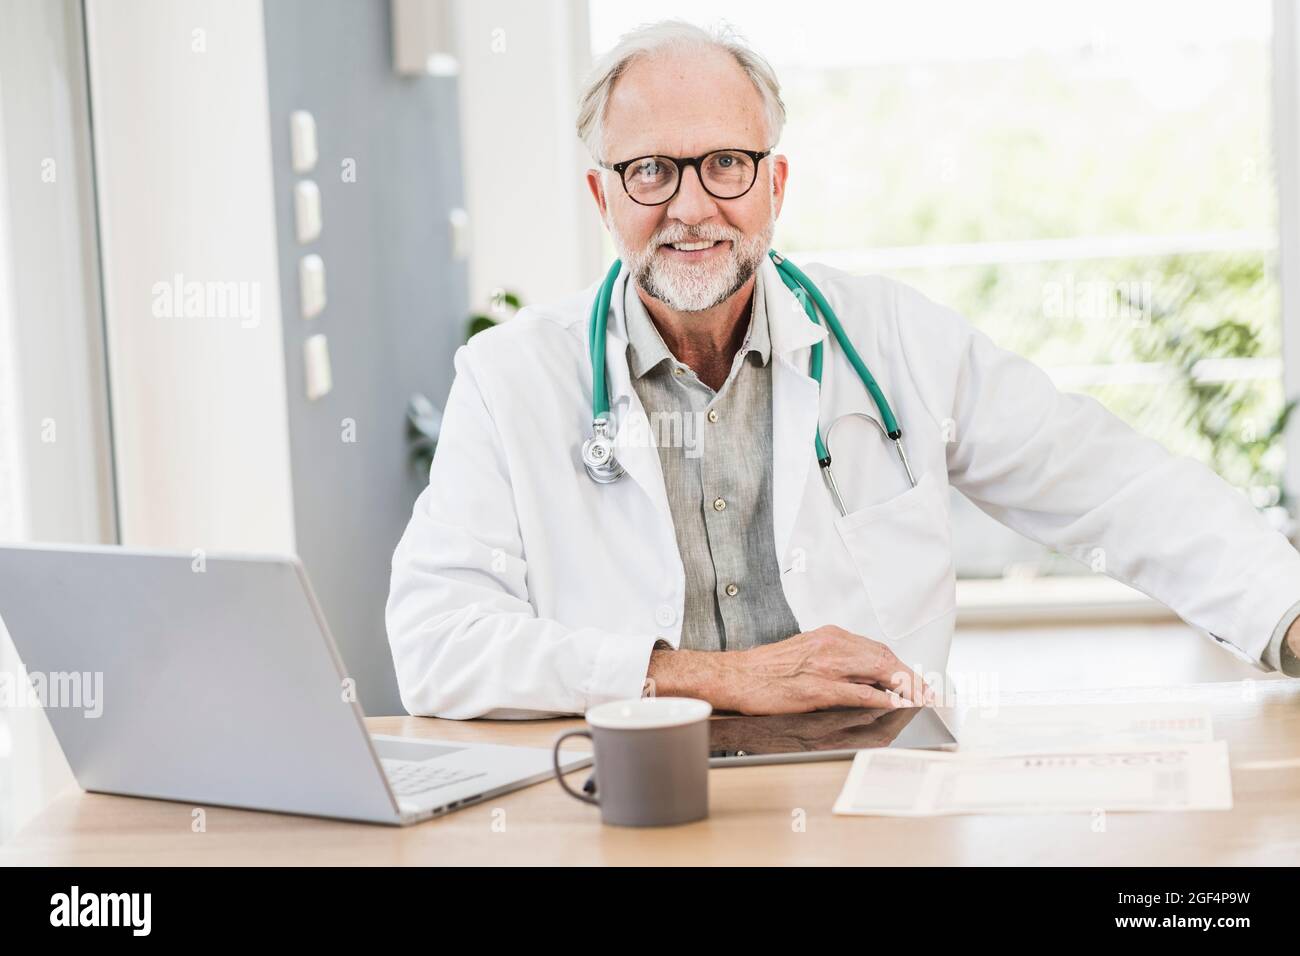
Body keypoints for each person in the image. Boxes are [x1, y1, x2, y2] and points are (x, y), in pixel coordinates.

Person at [386, 20, 1300, 719]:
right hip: (633, 794)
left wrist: (1286, 614)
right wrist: (710, 680)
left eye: (727, 165)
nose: (691, 206)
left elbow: (1110, 484)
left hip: (872, 782)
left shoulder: (894, 340)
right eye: (651, 171)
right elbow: (436, 644)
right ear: (603, 195)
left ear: (775, 187)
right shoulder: (510, 382)